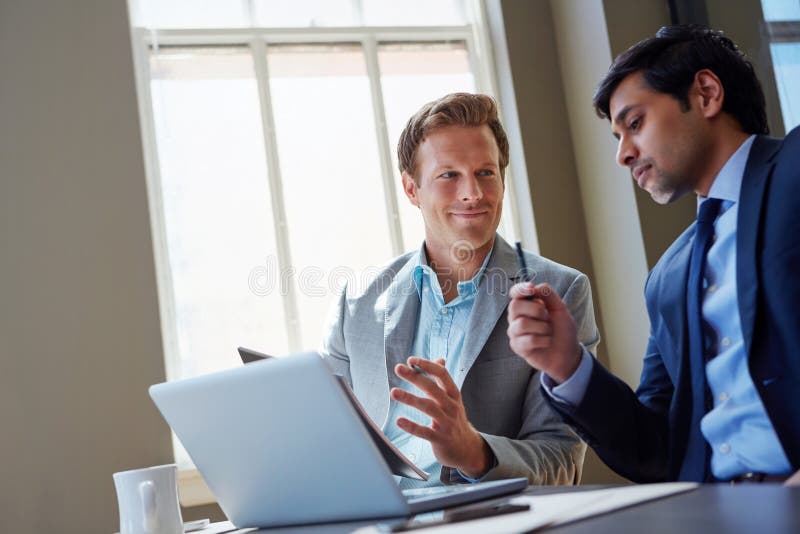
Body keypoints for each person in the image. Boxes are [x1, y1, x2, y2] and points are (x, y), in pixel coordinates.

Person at [507, 25, 800, 484]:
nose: (623, 155)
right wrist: (568, 364)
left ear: (706, 94)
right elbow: (657, 451)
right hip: (710, 511)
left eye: (635, 123)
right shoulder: (667, 276)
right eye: (617, 137)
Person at [321, 93, 600, 487]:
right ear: (411, 189)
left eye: (486, 172)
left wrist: (473, 450)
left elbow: (562, 462)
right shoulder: (358, 303)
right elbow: (328, 443)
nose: (472, 194)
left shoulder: (558, 292)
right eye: (449, 175)